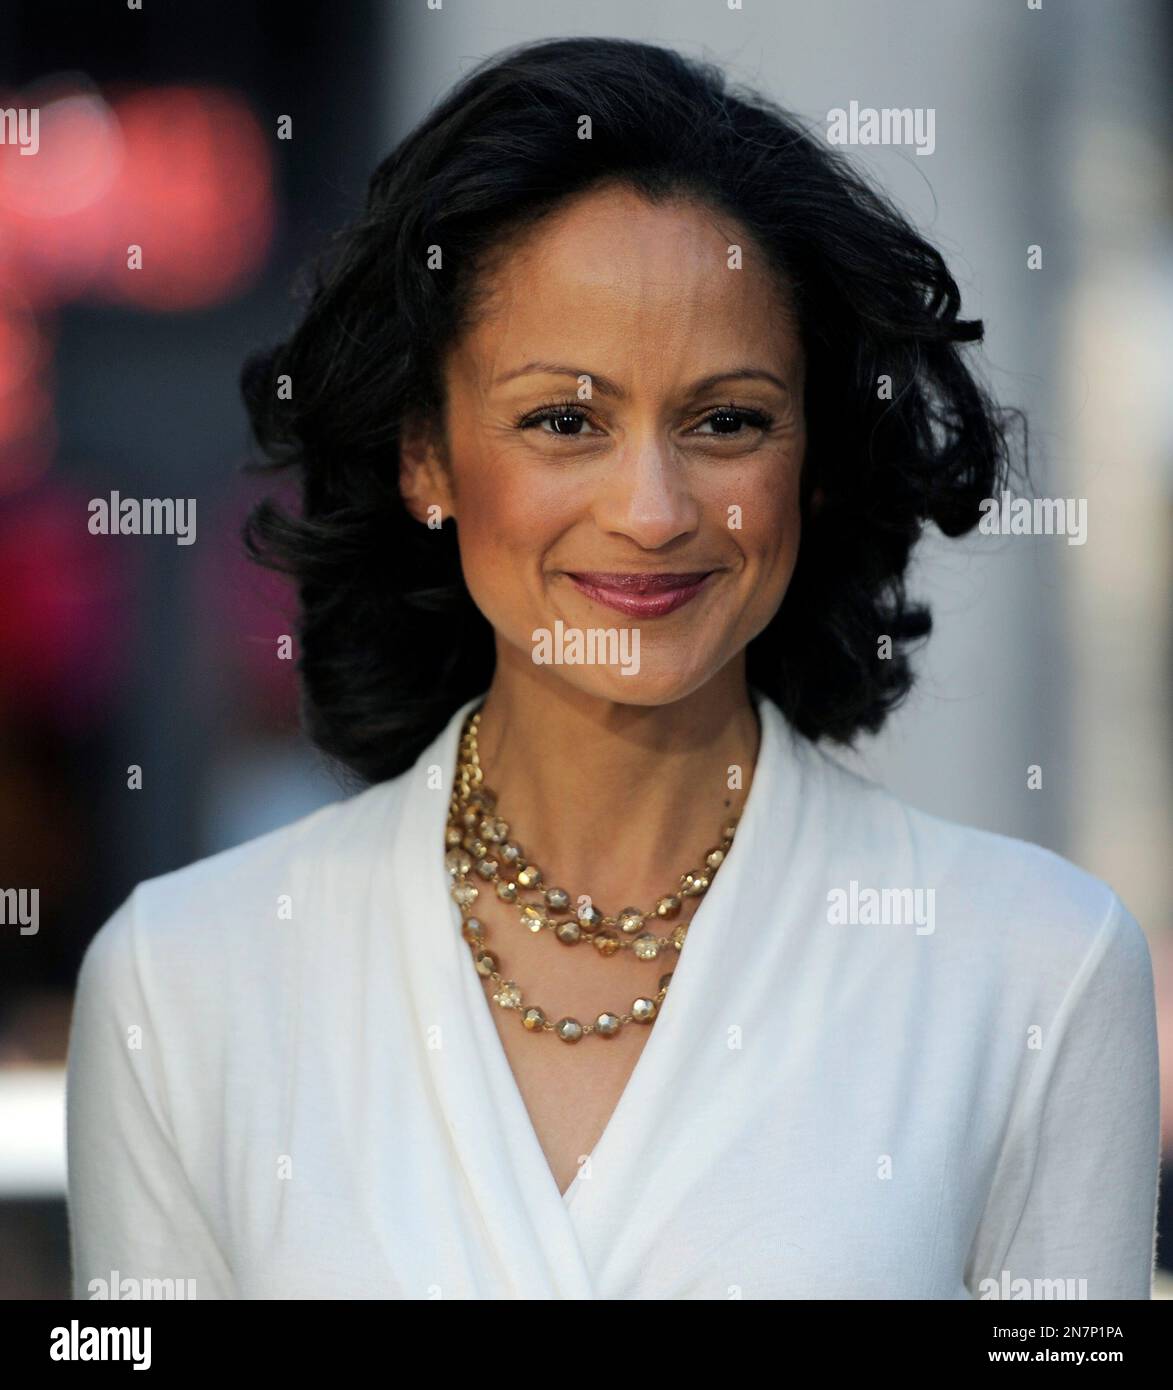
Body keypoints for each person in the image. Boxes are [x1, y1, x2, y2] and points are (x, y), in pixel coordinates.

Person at [65, 36, 1160, 1300]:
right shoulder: (182, 984)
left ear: (811, 461)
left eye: (727, 421)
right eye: (565, 420)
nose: (652, 510)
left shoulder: (1038, 968)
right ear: (425, 455)